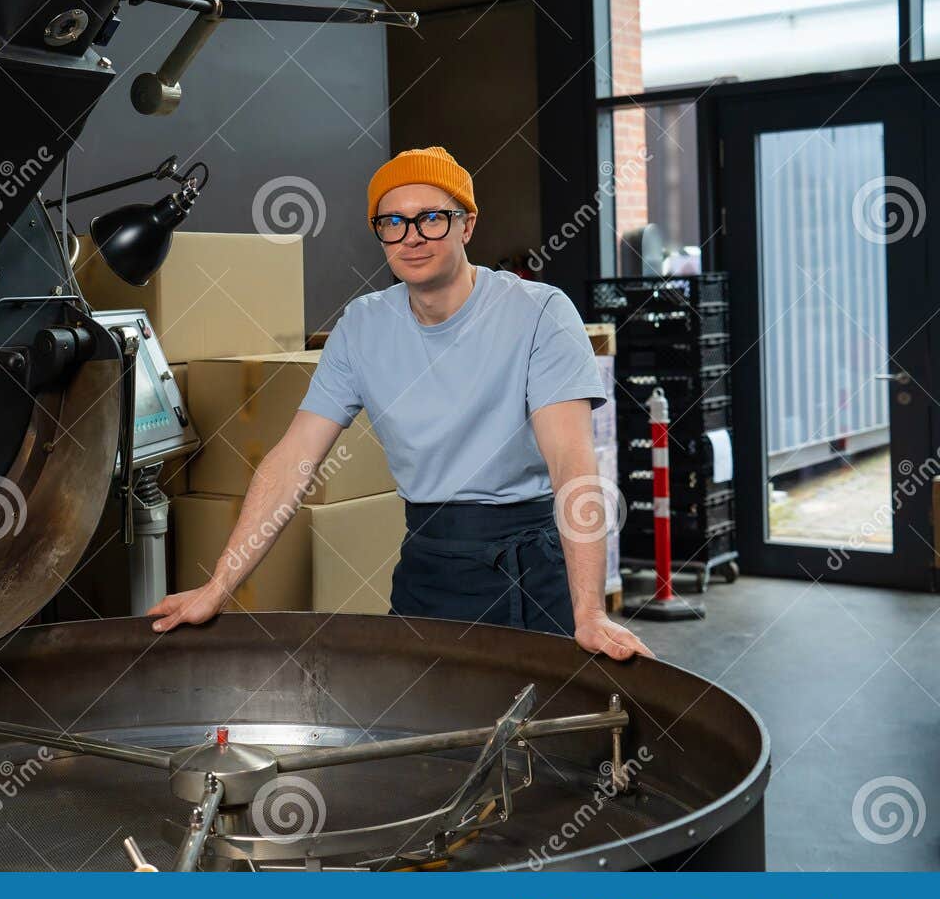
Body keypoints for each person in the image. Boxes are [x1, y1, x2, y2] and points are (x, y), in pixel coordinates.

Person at [147, 146, 652, 661]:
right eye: (392, 222)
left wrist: (588, 612)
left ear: (467, 225)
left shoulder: (540, 312)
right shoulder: (362, 326)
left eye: (431, 218)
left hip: (530, 568)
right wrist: (219, 586)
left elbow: (572, 464)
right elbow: (290, 463)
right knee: (423, 733)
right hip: (428, 564)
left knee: (535, 736)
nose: (412, 236)